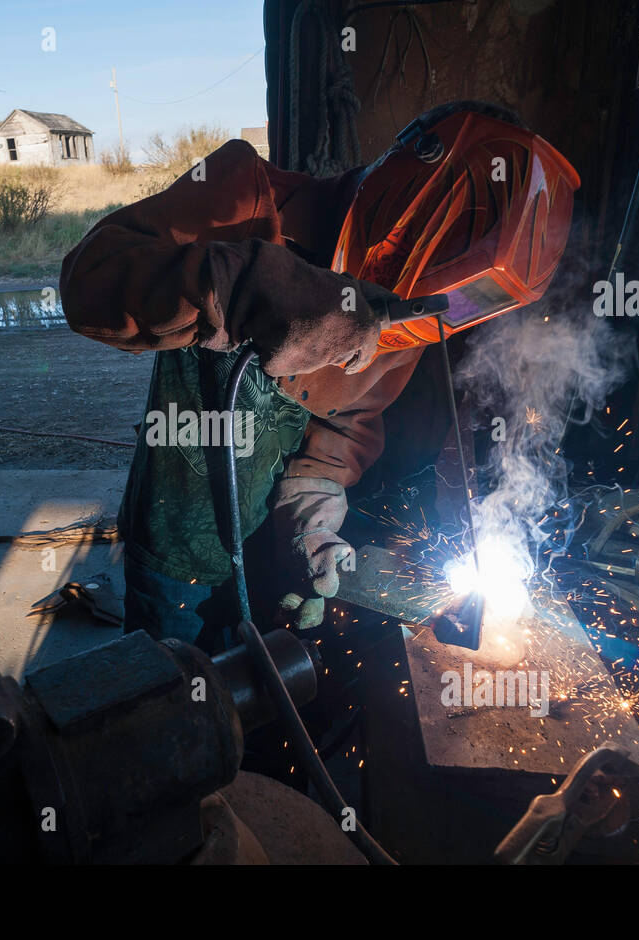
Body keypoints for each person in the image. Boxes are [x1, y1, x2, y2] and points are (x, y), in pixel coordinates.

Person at [60, 101, 579, 651]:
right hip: (176, 553)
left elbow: (342, 436)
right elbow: (88, 281)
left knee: (258, 706)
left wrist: (311, 529)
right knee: (172, 706)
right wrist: (247, 285)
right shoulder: (245, 195)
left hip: (268, 562)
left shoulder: (415, 321)